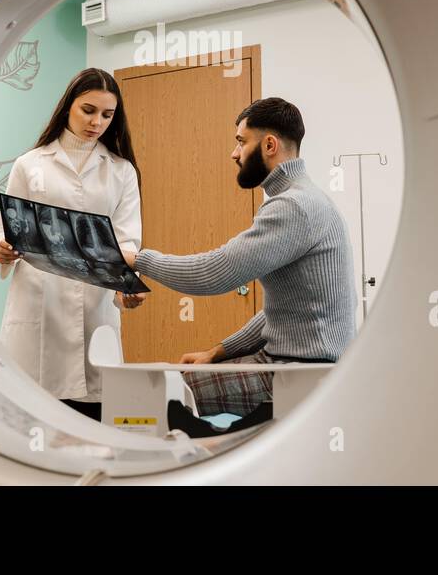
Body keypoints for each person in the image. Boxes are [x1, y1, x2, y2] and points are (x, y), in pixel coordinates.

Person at [122, 97, 356, 434]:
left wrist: (138, 258)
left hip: (297, 375)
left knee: (159, 397)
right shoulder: (308, 199)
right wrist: (217, 352)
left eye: (241, 142)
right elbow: (283, 310)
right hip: (306, 368)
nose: (235, 154)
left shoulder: (294, 207)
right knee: (186, 382)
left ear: (270, 145)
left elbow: (213, 274)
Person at [0, 68, 145, 420]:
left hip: (95, 311)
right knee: (32, 418)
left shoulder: (121, 171)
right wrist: (2, 248)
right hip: (38, 308)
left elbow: (126, 242)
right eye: (88, 110)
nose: (97, 122)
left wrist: (126, 288)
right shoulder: (29, 165)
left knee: (92, 419)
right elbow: (5, 233)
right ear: (68, 108)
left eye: (107, 115)